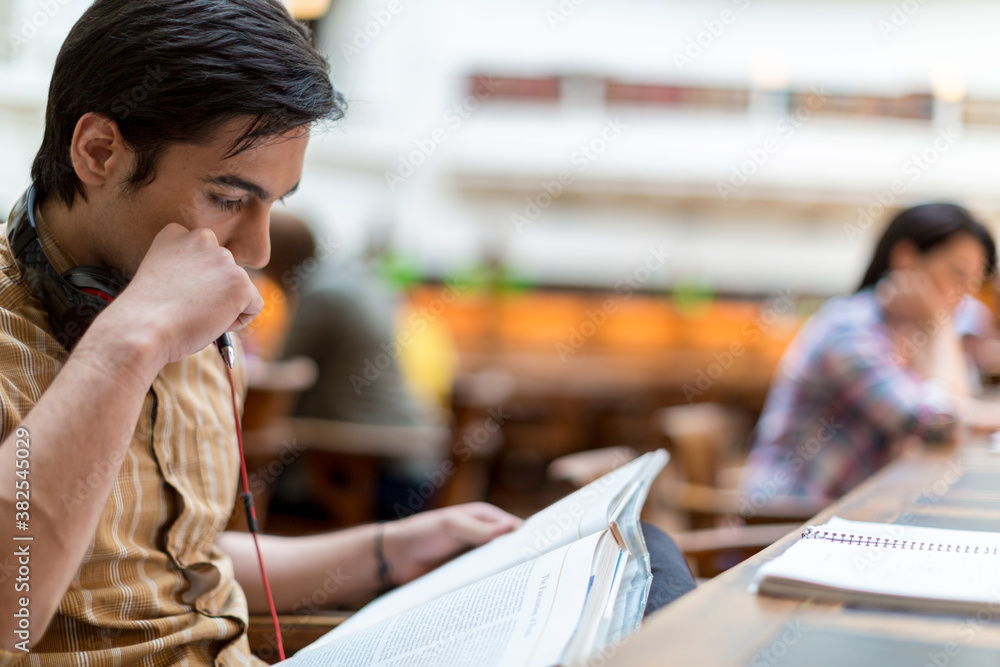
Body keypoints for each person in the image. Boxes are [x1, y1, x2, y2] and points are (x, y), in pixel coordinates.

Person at [0, 1, 692, 663]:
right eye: (230, 197)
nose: (259, 251)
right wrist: (129, 341)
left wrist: (390, 548)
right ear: (97, 151)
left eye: (274, 204)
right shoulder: (123, 324)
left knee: (640, 566)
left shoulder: (199, 331)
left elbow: (173, 562)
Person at [741, 203, 998, 505]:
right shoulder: (848, 329)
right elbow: (938, 425)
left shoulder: (908, 333)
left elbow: (954, 417)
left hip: (860, 512)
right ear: (906, 258)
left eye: (973, 282)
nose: (964, 294)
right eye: (957, 274)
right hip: (793, 523)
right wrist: (939, 324)